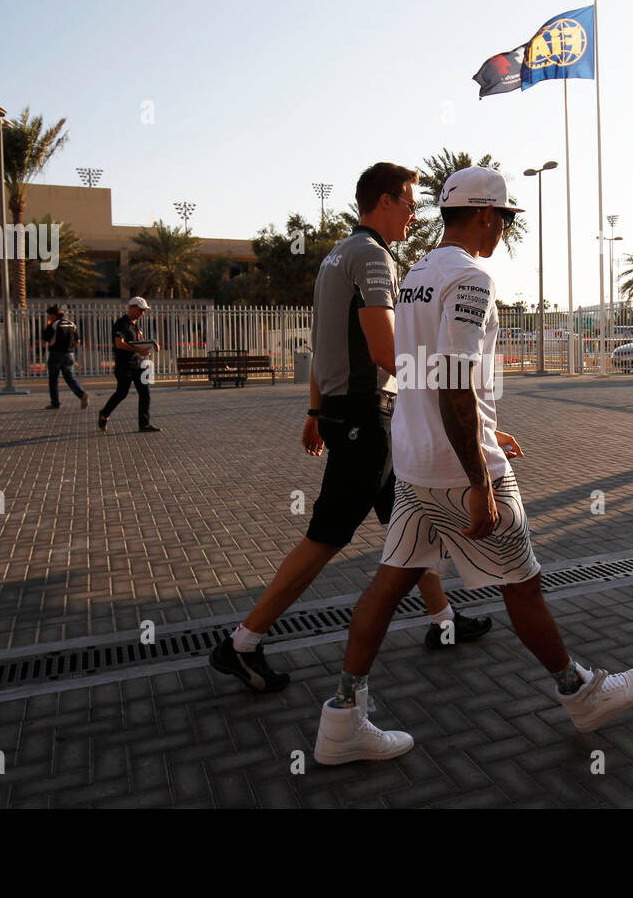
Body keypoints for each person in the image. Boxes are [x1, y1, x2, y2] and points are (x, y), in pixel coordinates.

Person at [313, 166, 633, 764]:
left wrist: (484, 428)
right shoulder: (471, 278)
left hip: (415, 461)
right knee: (523, 584)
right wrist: (480, 477)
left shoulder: (416, 275)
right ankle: (581, 693)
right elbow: (453, 378)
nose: (503, 231)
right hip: (460, 469)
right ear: (483, 216)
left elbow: (416, 368)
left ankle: (343, 719)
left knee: (390, 581)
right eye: (502, 220)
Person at [209, 162, 490, 694]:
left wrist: (316, 412)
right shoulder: (373, 257)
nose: (414, 215)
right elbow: (385, 350)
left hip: (348, 412)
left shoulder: (337, 254)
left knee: (413, 524)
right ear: (384, 201)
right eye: (409, 204)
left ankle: (444, 621)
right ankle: (242, 641)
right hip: (367, 415)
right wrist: (449, 390)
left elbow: (324, 342)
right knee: (326, 536)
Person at [98, 296, 161, 433]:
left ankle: (144, 424)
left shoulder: (136, 325)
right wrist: (138, 349)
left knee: (145, 393)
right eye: (140, 310)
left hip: (139, 364)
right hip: (124, 365)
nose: (142, 313)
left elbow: (138, 343)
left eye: (143, 310)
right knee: (122, 393)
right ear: (131, 308)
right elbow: (119, 343)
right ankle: (104, 413)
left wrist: (149, 348)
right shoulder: (121, 323)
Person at [42, 304, 88, 410]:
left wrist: (47, 328)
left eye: (49, 315)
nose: (48, 317)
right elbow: (78, 341)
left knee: (53, 379)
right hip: (69, 354)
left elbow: (44, 340)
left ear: (53, 315)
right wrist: (70, 347)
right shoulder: (71, 324)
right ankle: (81, 394)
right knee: (70, 377)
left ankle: (55, 403)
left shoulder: (54, 324)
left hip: (56, 354)